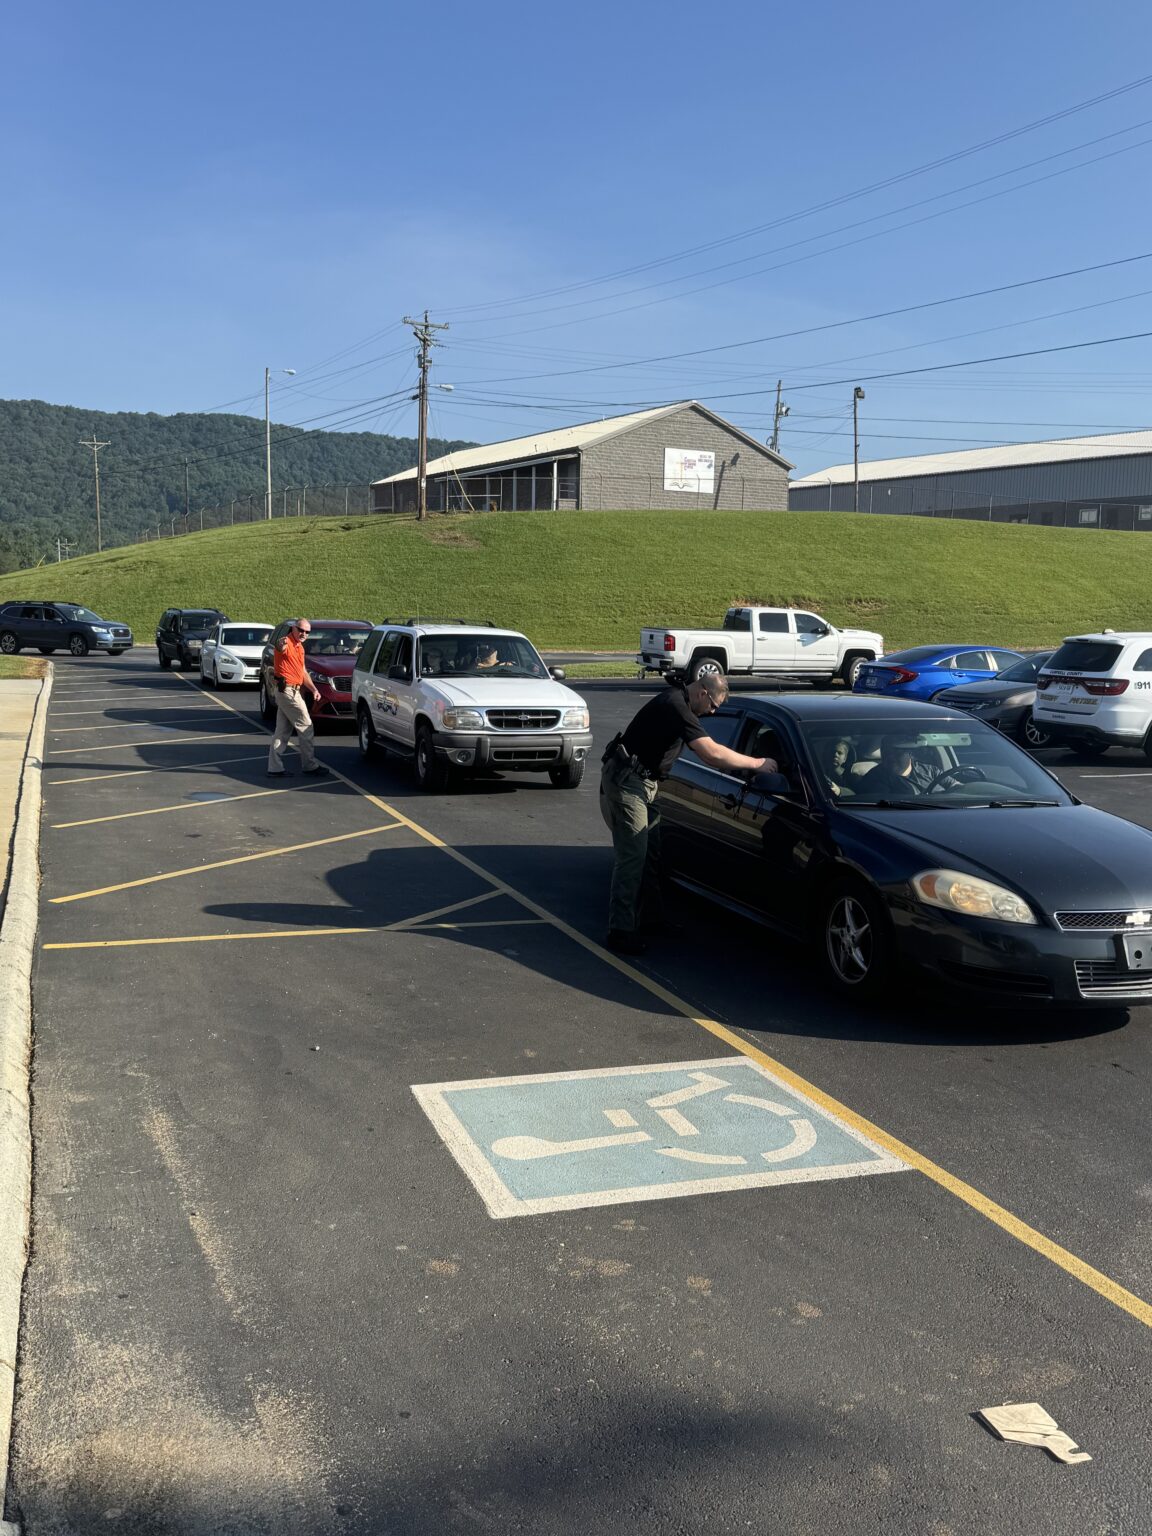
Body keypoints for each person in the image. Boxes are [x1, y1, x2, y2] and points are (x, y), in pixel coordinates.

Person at [599, 673, 776, 955]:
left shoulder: (682, 702)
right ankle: (620, 931)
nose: (714, 712)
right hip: (627, 781)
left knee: (651, 852)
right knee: (633, 855)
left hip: (646, 782)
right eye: (714, 705)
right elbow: (711, 754)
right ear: (703, 693)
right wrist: (758, 763)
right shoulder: (675, 705)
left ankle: (650, 919)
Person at [267, 619, 330, 778]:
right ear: (294, 629)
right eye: (301, 630)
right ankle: (309, 765)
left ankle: (274, 768)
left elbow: (302, 671)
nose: (304, 634)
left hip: (289, 691)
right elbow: (280, 648)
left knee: (282, 732)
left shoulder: (299, 647)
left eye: (307, 632)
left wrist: (314, 689)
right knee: (306, 726)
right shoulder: (286, 642)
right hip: (287, 691)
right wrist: (280, 644)